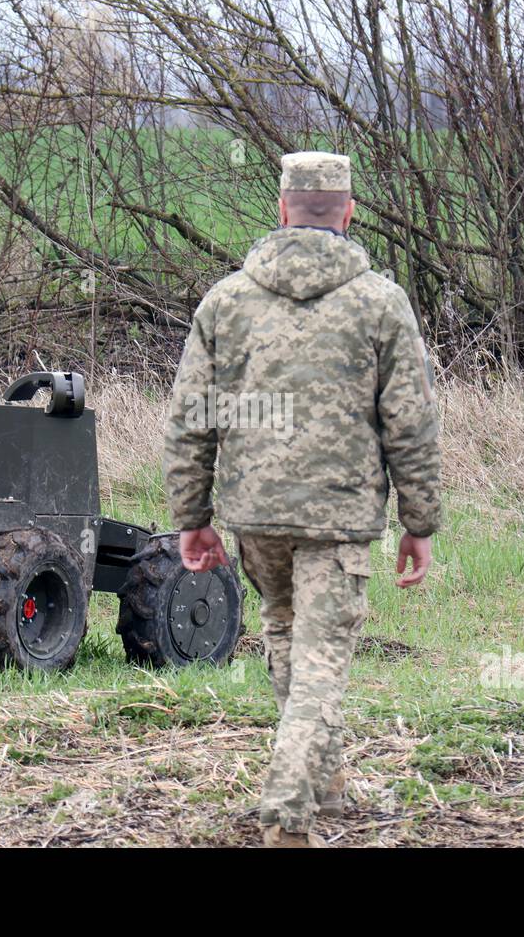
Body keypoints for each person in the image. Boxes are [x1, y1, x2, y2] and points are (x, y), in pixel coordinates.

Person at [162, 151, 442, 847]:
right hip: (340, 515)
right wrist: (419, 520)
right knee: (321, 656)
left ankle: (328, 781)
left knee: (287, 633)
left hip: (256, 510)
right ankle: (287, 811)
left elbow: (190, 418)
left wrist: (191, 517)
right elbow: (409, 420)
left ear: (283, 209)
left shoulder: (225, 301)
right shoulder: (380, 301)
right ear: (347, 213)